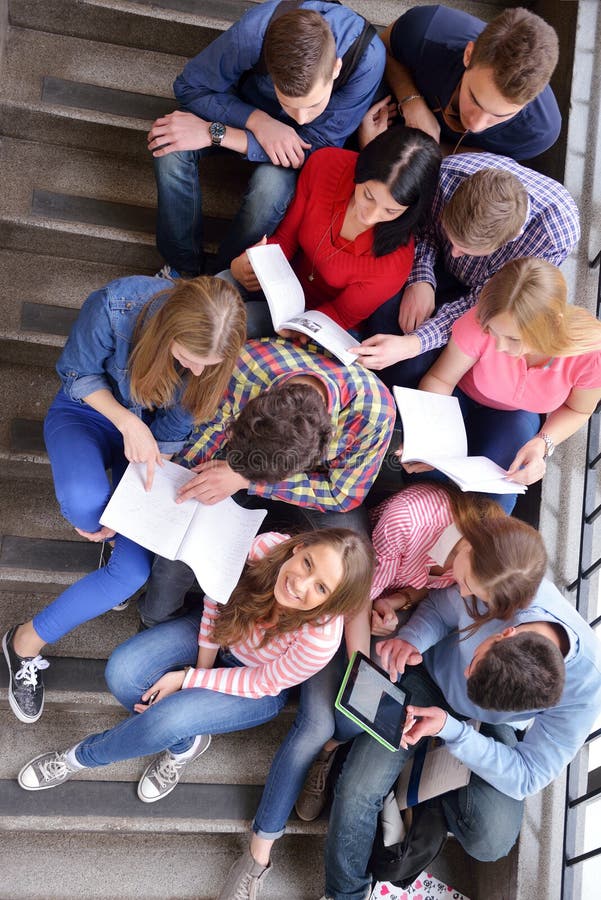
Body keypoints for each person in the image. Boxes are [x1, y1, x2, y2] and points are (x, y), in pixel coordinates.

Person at [15, 528, 375, 900]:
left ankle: (79, 757)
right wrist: (200, 670)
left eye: (321, 588)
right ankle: (184, 746)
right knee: (122, 673)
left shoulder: (320, 639)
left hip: (256, 686)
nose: (301, 583)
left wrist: (187, 679)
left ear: (332, 603)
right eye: (307, 563)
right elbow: (216, 602)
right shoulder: (264, 548)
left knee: (168, 719)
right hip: (220, 634)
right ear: (298, 547)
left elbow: (262, 682)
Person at [2, 275, 247, 725]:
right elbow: (75, 374)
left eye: (207, 366)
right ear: (170, 328)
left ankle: (23, 642)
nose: (197, 372)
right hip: (87, 412)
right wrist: (126, 422)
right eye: (189, 359)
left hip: (148, 444)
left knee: (132, 573)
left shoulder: (212, 362)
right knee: (85, 504)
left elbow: (172, 431)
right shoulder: (117, 305)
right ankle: (108, 532)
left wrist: (134, 504)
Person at [322, 573, 601, 900]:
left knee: (493, 837)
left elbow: (530, 775)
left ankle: (427, 779)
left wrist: (453, 730)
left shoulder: (587, 689)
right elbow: (440, 609)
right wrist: (412, 640)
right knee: (358, 788)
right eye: (475, 664)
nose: (467, 673)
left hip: (484, 724)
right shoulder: (506, 583)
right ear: (505, 632)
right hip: (429, 676)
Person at [291, 483, 547, 824]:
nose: (463, 594)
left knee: (368, 704)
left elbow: (426, 589)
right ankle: (320, 751)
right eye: (468, 585)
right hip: (339, 598)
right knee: (332, 712)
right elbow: (356, 597)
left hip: (377, 608)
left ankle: (330, 748)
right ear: (471, 548)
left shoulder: (468, 561)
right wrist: (362, 670)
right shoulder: (409, 519)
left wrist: (396, 603)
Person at [137, 336, 395, 626]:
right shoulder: (245, 366)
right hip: (229, 461)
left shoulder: (374, 412)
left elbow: (342, 494)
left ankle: (285, 631)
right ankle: (157, 618)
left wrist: (248, 481)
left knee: (350, 552)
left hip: (314, 486)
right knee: (183, 536)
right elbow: (204, 439)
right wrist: (180, 487)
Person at [148, 1, 385, 275]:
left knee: (270, 189)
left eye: (313, 105)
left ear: (335, 68)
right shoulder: (254, 33)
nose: (301, 119)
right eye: (288, 103)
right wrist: (259, 121)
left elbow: (319, 152)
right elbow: (190, 85)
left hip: (300, 149)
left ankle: (223, 278)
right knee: (168, 146)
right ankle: (183, 269)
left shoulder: (366, 60)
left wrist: (218, 134)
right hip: (245, 108)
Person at [353, 152, 580, 389]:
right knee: (384, 312)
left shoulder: (554, 236)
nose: (455, 253)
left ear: (511, 238)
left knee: (413, 366)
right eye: (452, 239)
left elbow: (490, 302)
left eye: (465, 249)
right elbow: (421, 229)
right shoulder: (446, 175)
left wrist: (413, 344)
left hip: (491, 296)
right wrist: (421, 278)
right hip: (431, 260)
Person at [408, 257, 601, 514]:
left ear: (553, 323)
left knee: (497, 499)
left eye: (513, 339)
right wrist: (431, 438)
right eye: (492, 332)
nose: (499, 346)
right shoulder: (480, 319)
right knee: (426, 473)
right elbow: (441, 379)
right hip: (461, 395)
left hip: (515, 415)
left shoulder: (590, 355)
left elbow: (579, 409)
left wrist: (543, 443)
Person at [226, 126, 442, 335]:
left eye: (390, 211)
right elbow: (285, 239)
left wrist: (300, 329)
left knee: (233, 323)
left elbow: (342, 315)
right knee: (219, 288)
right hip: (282, 285)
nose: (370, 216)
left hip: (326, 325)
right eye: (368, 196)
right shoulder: (327, 165)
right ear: (361, 170)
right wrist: (246, 263)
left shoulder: (395, 260)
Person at [382, 4, 560, 159]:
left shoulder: (537, 134)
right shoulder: (425, 30)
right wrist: (410, 99)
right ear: (469, 55)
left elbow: (488, 161)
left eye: (499, 116)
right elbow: (379, 49)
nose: (475, 125)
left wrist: (427, 148)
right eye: (474, 99)